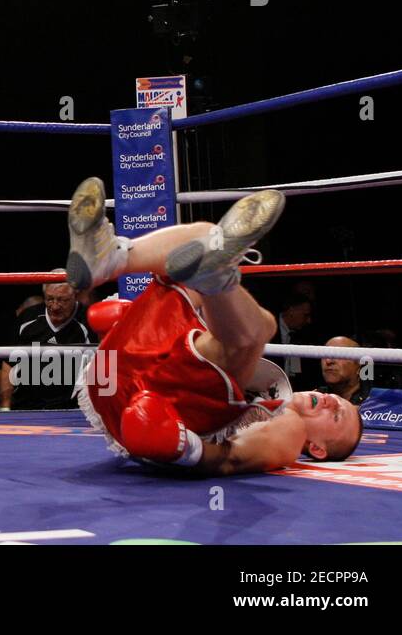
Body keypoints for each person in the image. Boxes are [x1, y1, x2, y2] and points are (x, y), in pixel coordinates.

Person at [66, 178, 361, 475]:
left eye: (336, 415)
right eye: (335, 400)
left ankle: (214, 276)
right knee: (209, 237)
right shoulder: (271, 386)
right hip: (122, 371)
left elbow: (228, 459)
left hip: (156, 404)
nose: (329, 400)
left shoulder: (292, 434)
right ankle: (112, 257)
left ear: (318, 449)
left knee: (257, 332)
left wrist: (182, 447)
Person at [0, 275, 93, 410]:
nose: (55, 306)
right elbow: (9, 363)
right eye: (49, 299)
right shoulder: (28, 318)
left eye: (62, 300)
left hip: (71, 408)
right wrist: (5, 407)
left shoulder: (87, 320)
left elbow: (100, 366)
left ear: (75, 296)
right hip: (27, 405)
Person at [318, 337, 371, 405]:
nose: (328, 361)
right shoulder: (315, 397)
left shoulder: (376, 402)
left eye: (338, 354)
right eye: (325, 354)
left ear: (359, 364)